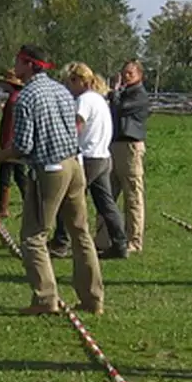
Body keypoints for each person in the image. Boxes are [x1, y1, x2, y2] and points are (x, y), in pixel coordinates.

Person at [0, 44, 104, 315]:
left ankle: (44, 300)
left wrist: (2, 155)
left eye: (18, 62)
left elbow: (23, 146)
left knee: (33, 236)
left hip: (50, 169)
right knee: (80, 233)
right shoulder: (61, 90)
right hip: (74, 165)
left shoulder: (27, 97)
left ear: (29, 65)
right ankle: (92, 299)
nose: (14, 67)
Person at [51, 62, 127, 260]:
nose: (67, 87)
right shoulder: (100, 99)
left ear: (78, 80)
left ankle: (61, 242)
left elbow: (77, 125)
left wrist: (62, 144)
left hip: (88, 157)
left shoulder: (84, 100)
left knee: (65, 197)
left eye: (69, 82)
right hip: (103, 156)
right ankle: (120, 243)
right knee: (106, 203)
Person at [98, 60, 149, 255]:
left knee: (133, 195)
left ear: (139, 75)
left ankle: (134, 240)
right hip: (113, 144)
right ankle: (103, 238)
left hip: (130, 147)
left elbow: (119, 108)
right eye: (124, 73)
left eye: (130, 74)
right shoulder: (122, 94)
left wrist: (115, 90)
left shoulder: (139, 96)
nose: (126, 77)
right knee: (107, 193)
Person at [0, 68, 27, 220]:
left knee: (4, 177)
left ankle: (3, 209)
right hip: (17, 144)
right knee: (20, 176)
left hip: (10, 145)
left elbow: (9, 127)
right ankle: (29, 205)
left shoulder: (13, 101)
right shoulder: (18, 97)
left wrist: (5, 148)